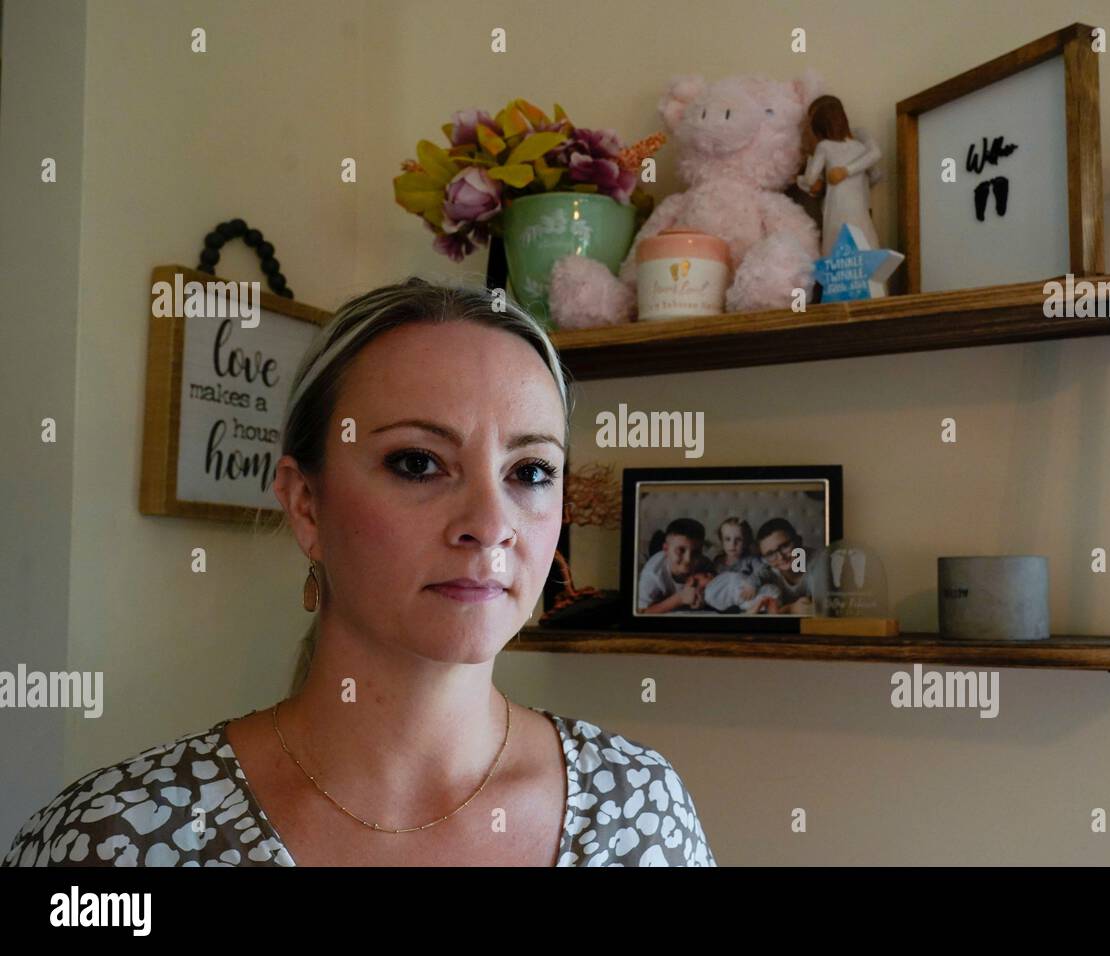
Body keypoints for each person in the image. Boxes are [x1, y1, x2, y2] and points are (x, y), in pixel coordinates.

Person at [3, 279, 716, 868]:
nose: (490, 522)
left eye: (529, 471)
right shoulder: (114, 844)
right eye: (416, 463)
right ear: (306, 504)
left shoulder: (638, 813)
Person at [795, 94, 884, 256]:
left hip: (836, 212)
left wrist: (803, 174)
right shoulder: (860, 147)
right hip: (860, 209)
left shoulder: (825, 146)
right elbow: (876, 174)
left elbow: (810, 180)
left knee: (835, 252)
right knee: (866, 250)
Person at [752, 518, 830, 615]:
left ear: (799, 541)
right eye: (770, 553)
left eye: (784, 546)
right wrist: (790, 609)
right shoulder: (767, 569)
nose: (781, 557)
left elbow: (825, 608)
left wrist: (787, 609)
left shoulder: (820, 561)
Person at [637, 518, 713, 613]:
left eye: (696, 552)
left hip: (669, 554)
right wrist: (680, 598)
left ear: (701, 551)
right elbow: (642, 613)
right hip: (661, 558)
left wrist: (703, 600)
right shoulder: (652, 573)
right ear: (666, 549)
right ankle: (657, 541)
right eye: (681, 550)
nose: (688, 559)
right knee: (653, 549)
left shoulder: (705, 564)